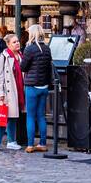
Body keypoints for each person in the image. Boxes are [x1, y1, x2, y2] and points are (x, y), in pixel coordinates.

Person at [20, 24, 54, 152]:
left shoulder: (29, 49)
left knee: (30, 116)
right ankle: (43, 144)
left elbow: (23, 67)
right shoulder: (47, 49)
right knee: (41, 116)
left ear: (32, 34)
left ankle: (30, 145)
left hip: (32, 86)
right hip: (44, 86)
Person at [0, 32, 25, 151]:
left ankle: (11, 141)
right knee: (2, 116)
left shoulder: (21, 56)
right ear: (8, 44)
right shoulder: (2, 57)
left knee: (13, 117)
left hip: (18, 90)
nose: (17, 43)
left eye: (18, 41)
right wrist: (0, 93)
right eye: (14, 42)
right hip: (7, 92)